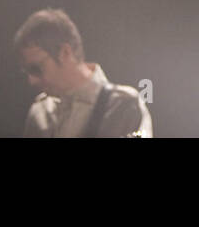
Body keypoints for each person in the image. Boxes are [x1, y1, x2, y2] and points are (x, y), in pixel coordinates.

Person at [14, 8, 153, 137]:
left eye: (36, 68)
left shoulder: (123, 106)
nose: (32, 80)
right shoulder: (39, 112)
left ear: (65, 52)